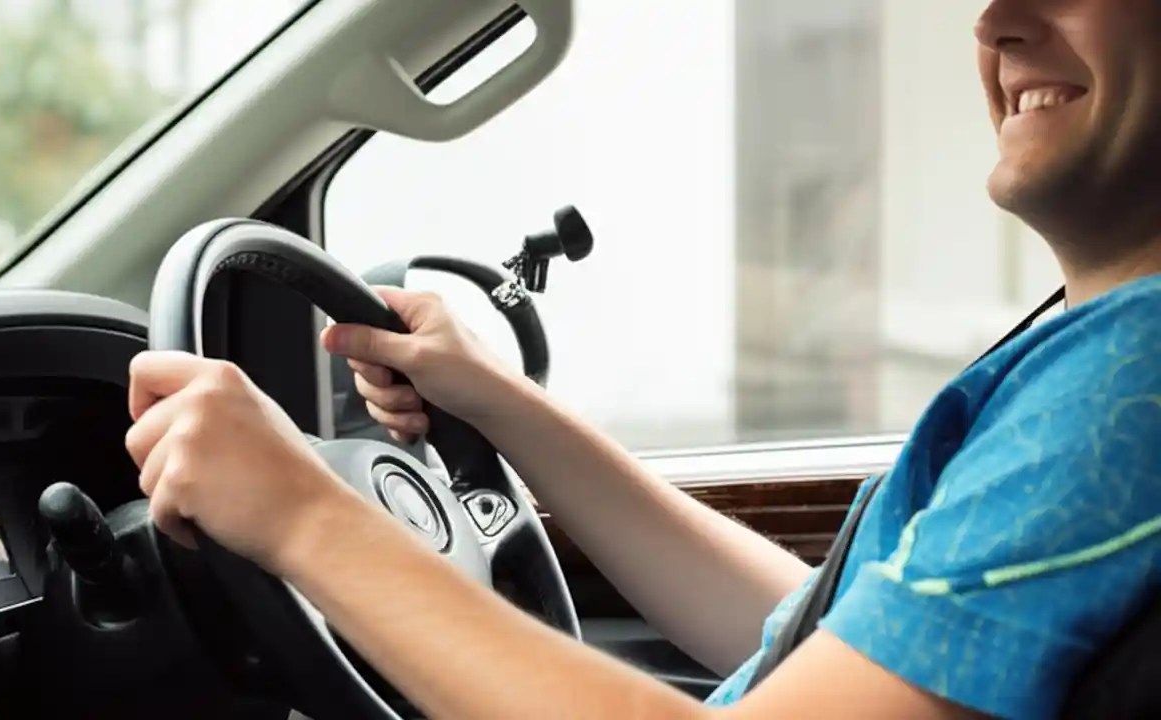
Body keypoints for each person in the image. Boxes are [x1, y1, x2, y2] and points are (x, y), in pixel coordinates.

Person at [123, 1, 1161, 717]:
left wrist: (304, 516)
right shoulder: (1089, 357)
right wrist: (501, 407)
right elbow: (819, 632)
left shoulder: (1127, 385)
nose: (990, 20)